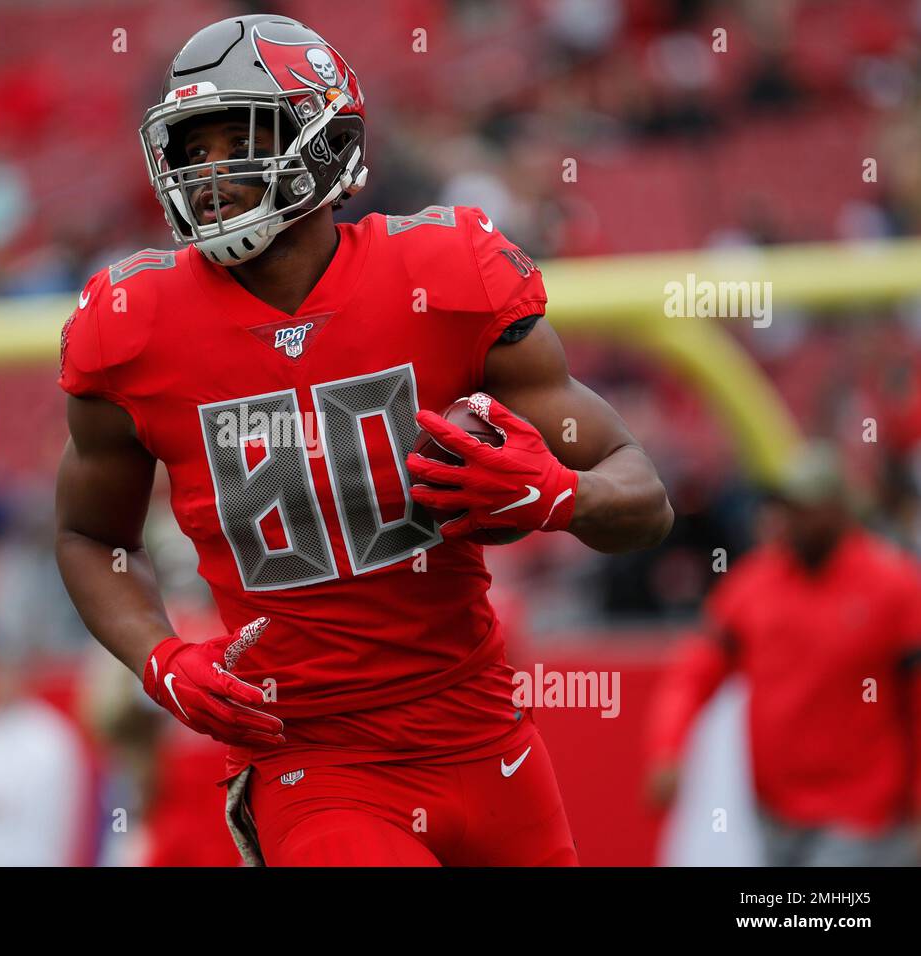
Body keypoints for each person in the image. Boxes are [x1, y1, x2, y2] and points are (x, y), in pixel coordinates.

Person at [55, 14, 672, 867]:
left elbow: (641, 493)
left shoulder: (443, 277)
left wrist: (560, 496)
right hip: (312, 755)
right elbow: (89, 534)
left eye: (242, 137)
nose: (210, 172)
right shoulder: (136, 329)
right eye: (193, 149)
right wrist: (157, 658)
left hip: (484, 735)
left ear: (325, 139)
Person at [646, 442, 921, 866]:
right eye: (787, 508)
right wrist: (668, 747)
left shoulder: (893, 586)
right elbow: (695, 672)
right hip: (773, 813)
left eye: (804, 509)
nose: (791, 521)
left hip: (863, 817)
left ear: (837, 511)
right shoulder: (753, 585)